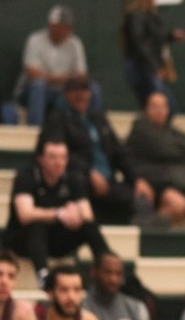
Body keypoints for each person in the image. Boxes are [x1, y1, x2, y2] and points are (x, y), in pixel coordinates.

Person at [40, 76, 136, 225]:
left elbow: (118, 151)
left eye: (85, 90)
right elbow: (60, 155)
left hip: (108, 180)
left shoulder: (99, 119)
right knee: (78, 181)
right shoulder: (58, 119)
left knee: (134, 191)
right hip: (80, 178)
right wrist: (89, 172)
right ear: (66, 95)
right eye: (75, 91)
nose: (81, 95)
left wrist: (138, 178)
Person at [5, 139, 112, 273]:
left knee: (89, 226)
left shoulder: (72, 176)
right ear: (41, 159)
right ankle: (43, 275)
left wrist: (75, 214)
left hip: (57, 240)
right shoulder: (26, 175)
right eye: (52, 157)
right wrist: (59, 214)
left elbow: (87, 215)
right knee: (37, 225)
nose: (59, 162)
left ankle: (109, 266)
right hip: (24, 240)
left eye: (63, 157)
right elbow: (25, 215)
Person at [124, 92, 185, 222]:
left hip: (181, 183)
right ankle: (149, 231)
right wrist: (181, 150)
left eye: (163, 107)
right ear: (147, 109)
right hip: (153, 184)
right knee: (178, 204)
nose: (159, 111)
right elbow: (162, 147)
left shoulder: (173, 132)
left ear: (168, 110)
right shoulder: (140, 127)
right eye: (155, 107)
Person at [17, 5, 95, 127]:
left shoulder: (75, 43)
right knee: (39, 86)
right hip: (34, 91)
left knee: (93, 89)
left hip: (63, 91)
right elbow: (31, 73)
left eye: (68, 27)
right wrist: (62, 79)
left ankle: (90, 129)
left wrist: (56, 79)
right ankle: (35, 130)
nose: (65, 30)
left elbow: (81, 76)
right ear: (51, 26)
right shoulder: (35, 40)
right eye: (62, 26)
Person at [120, 0, 183, 112]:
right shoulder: (136, 17)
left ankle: (155, 132)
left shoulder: (149, 16)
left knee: (164, 108)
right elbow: (140, 43)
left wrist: (170, 36)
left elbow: (153, 40)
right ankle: (149, 132)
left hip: (148, 66)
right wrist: (155, 67)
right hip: (142, 67)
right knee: (161, 107)